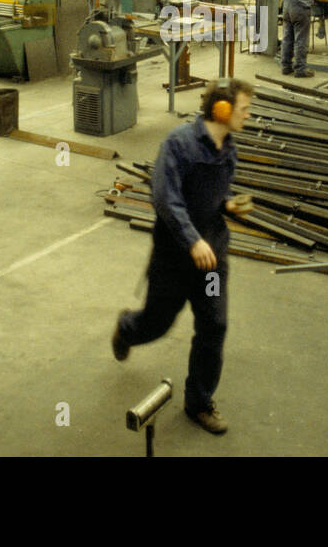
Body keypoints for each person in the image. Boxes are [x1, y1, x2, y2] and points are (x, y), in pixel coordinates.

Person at [112, 79, 256, 434]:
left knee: (213, 324)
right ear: (221, 110)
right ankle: (127, 329)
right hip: (175, 258)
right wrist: (192, 240)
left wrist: (229, 205)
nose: (248, 117)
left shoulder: (229, 149)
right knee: (157, 323)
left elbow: (215, 196)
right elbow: (165, 198)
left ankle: (199, 402)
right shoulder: (179, 144)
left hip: (210, 264)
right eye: (244, 109)